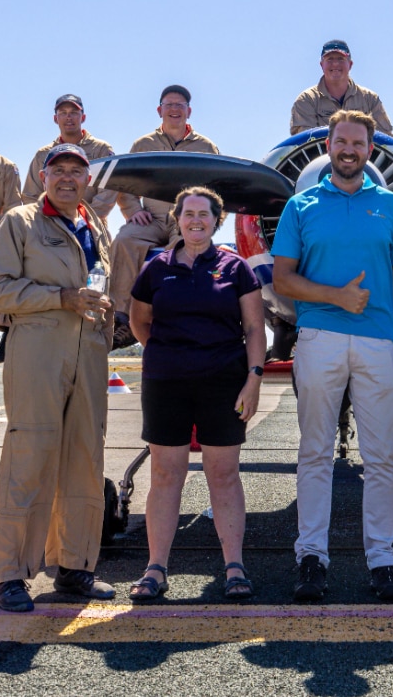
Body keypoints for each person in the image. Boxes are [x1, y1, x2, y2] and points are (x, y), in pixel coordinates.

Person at [272, 109, 393, 602]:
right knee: (313, 452)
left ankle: (383, 558)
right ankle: (311, 556)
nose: (349, 150)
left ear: (369, 150)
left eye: (358, 142)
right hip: (318, 338)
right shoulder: (301, 205)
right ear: (327, 146)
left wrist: (370, 311)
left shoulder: (392, 204)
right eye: (341, 141)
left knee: (381, 457)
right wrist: (336, 298)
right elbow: (281, 279)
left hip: (377, 341)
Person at [0, 142, 117, 612]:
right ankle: (11, 575)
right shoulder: (19, 222)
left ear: (87, 181)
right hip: (38, 350)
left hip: (89, 353)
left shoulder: (96, 225)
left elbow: (104, 283)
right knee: (29, 459)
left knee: (85, 459)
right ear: (43, 177)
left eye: (75, 171)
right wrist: (60, 298)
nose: (66, 178)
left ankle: (75, 567)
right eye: (57, 170)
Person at [127, 187, 265, 602]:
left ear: (216, 221)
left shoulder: (236, 268)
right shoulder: (156, 267)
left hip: (223, 382)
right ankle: (155, 568)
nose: (196, 221)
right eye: (188, 214)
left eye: (204, 214)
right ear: (177, 219)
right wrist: (167, 356)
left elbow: (256, 329)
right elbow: (139, 321)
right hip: (165, 384)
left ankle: (234, 566)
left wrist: (253, 378)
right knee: (165, 475)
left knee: (222, 475)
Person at [1, 94, 116, 364]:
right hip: (45, 224)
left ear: (82, 117)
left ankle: (107, 330)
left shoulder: (101, 149)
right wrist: (44, 218)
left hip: (90, 224)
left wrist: (83, 216)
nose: (68, 116)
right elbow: (29, 195)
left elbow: (110, 190)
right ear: (55, 119)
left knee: (102, 282)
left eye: (73, 112)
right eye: (63, 112)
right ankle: (8, 329)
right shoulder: (42, 155)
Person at [108, 85, 221, 348]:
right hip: (152, 218)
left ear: (189, 111)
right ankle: (122, 318)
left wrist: (209, 222)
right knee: (124, 240)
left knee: (183, 248)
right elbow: (124, 182)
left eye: (180, 105)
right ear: (159, 110)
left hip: (187, 220)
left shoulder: (205, 147)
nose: (174, 110)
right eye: (169, 105)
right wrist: (134, 211)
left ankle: (169, 313)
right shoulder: (144, 144)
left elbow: (219, 188)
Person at [289, 39, 393, 136]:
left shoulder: (370, 99)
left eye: (340, 59)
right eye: (330, 59)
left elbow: (385, 139)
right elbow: (304, 142)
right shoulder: (306, 100)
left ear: (350, 64)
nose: (335, 64)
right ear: (321, 65)